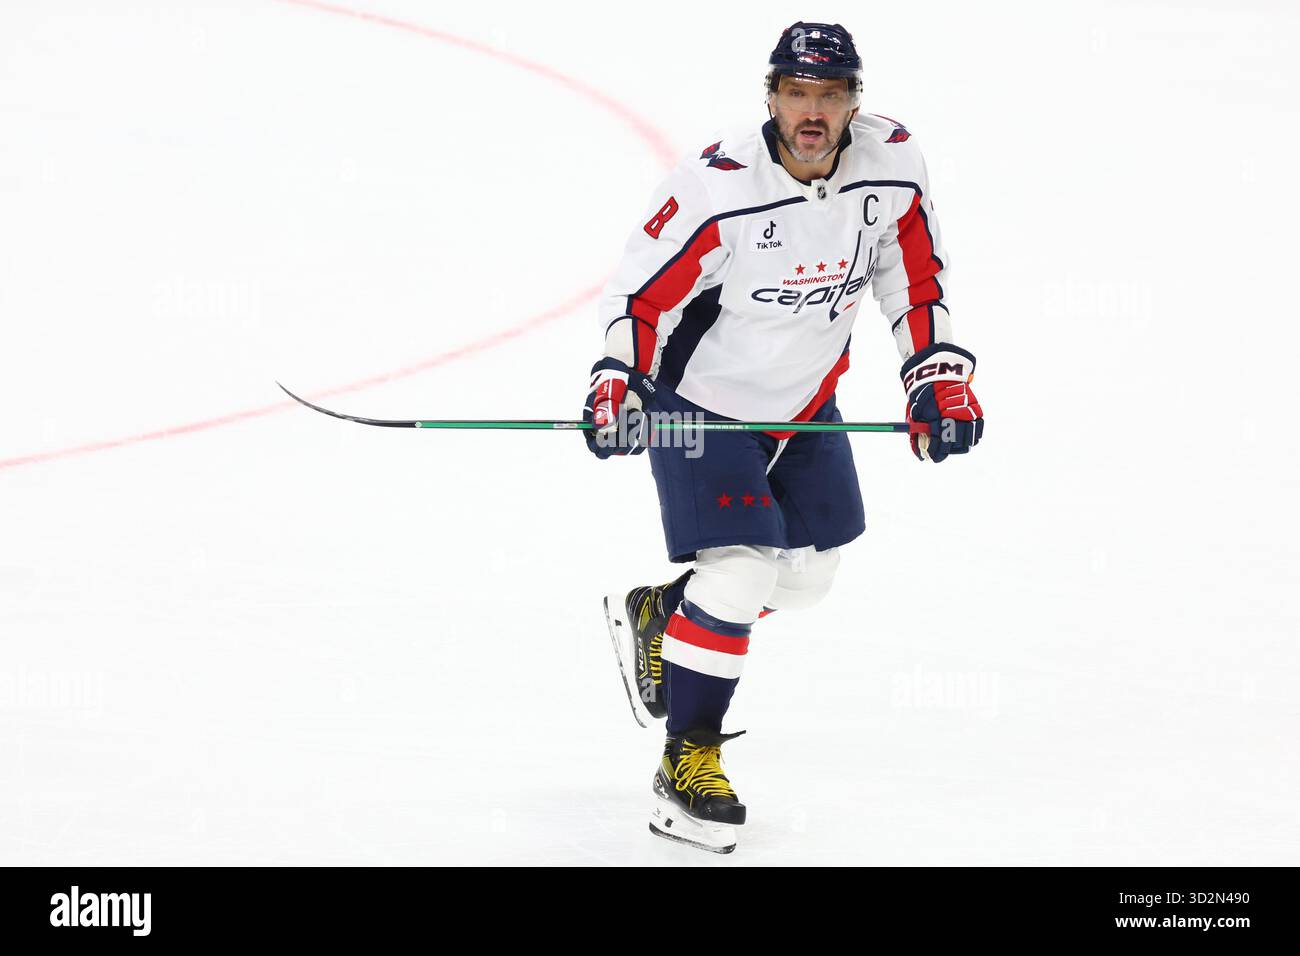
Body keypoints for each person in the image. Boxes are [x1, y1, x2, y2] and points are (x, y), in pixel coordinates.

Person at [585, 21, 984, 853]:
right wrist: (618, 379)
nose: (814, 112)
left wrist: (934, 376)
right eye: (798, 94)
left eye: (831, 95)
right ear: (770, 97)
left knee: (809, 580)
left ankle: (668, 616)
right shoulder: (717, 185)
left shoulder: (893, 168)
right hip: (700, 404)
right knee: (739, 574)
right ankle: (685, 763)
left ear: (853, 102)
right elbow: (641, 298)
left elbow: (912, 279)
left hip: (805, 400)